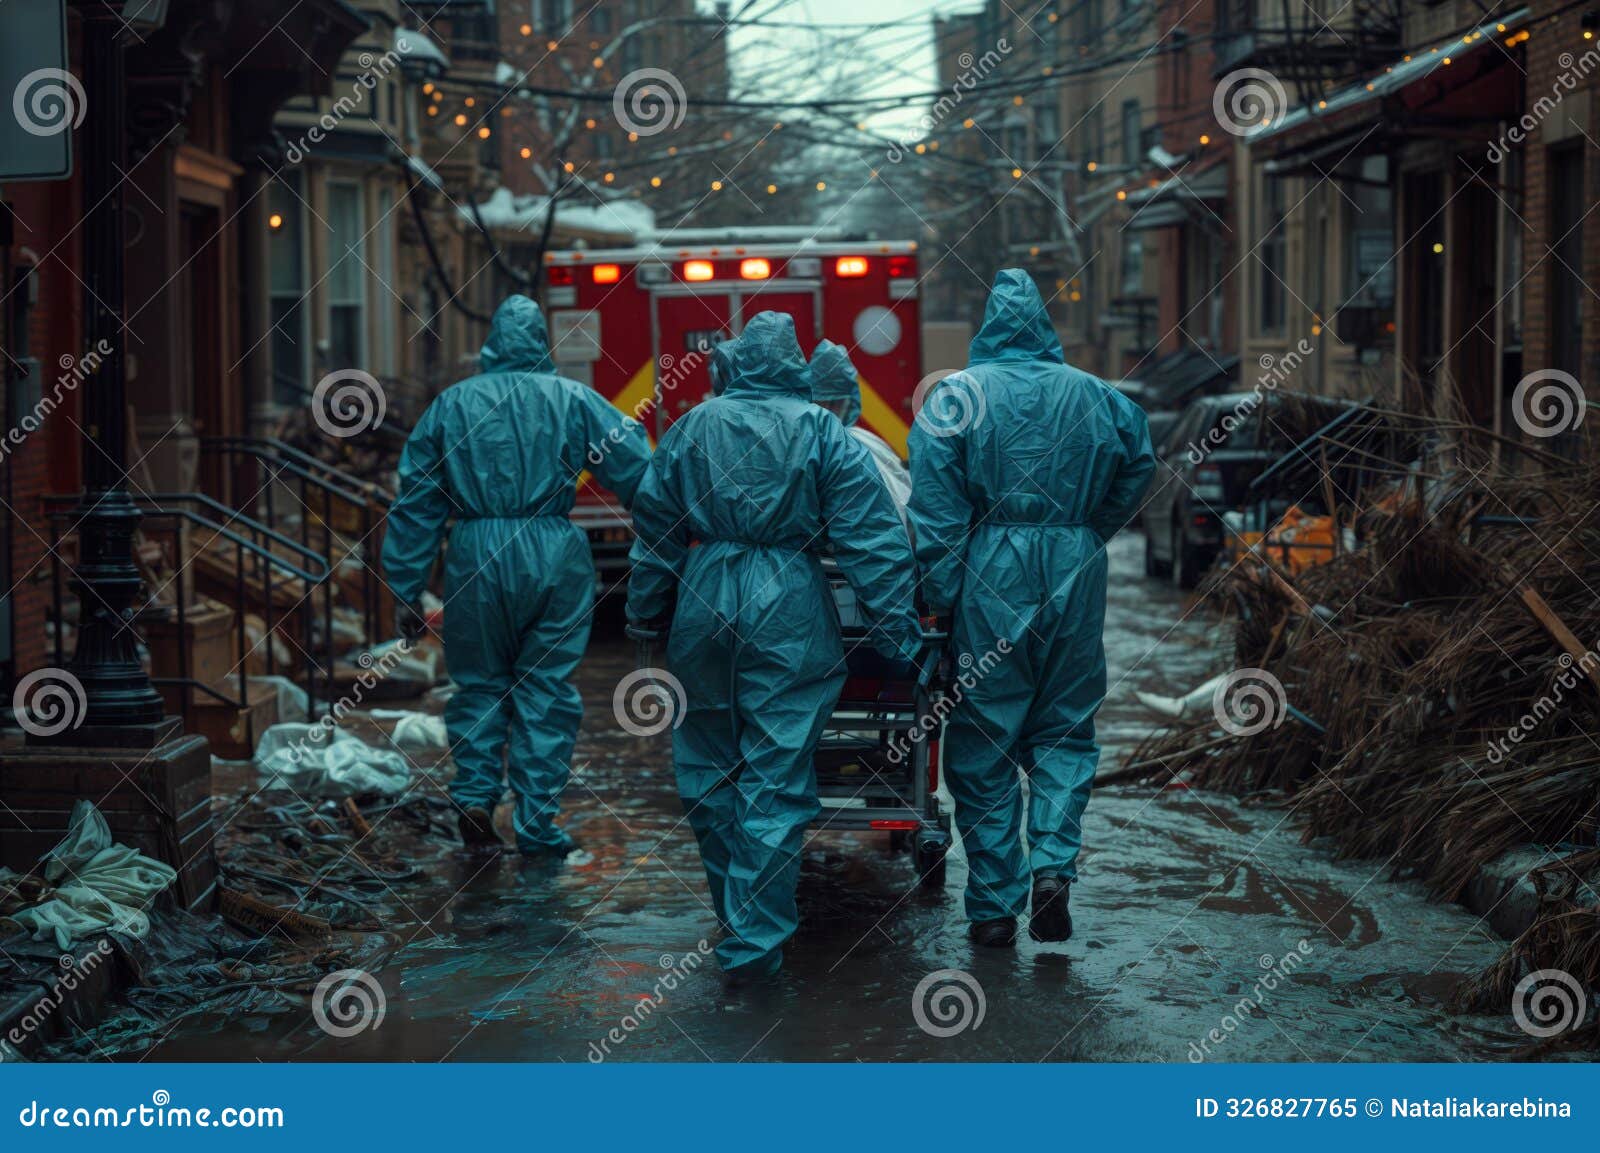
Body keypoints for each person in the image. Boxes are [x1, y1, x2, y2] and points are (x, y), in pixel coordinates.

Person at [628, 311, 921, 979]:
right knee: (774, 777)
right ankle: (754, 943)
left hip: (703, 603)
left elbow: (655, 533)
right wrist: (901, 633)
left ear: (734, 362)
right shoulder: (822, 430)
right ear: (794, 368)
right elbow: (871, 541)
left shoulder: (693, 426)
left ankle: (736, 916)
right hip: (788, 606)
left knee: (707, 768)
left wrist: (646, 620)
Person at [909, 269, 1155, 947]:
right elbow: (1140, 463)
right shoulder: (1097, 396)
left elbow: (935, 512)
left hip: (992, 571)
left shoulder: (957, 397)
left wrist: (939, 599)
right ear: (1044, 324)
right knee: (1065, 730)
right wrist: (1087, 530)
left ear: (988, 323)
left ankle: (993, 905)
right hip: (1074, 568)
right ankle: (1053, 867)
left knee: (984, 738)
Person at [383, 294, 651, 856]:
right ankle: (536, 822)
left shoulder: (451, 407)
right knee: (545, 690)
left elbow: (416, 506)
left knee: (479, 683)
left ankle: (477, 793)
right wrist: (670, 544)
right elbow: (638, 475)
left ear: (491, 344)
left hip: (475, 553)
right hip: (553, 552)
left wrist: (404, 589)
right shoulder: (575, 400)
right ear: (541, 344)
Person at [808, 339, 912, 536]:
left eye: (832, 403)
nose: (828, 409)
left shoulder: (816, 448)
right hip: (898, 548)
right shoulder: (868, 441)